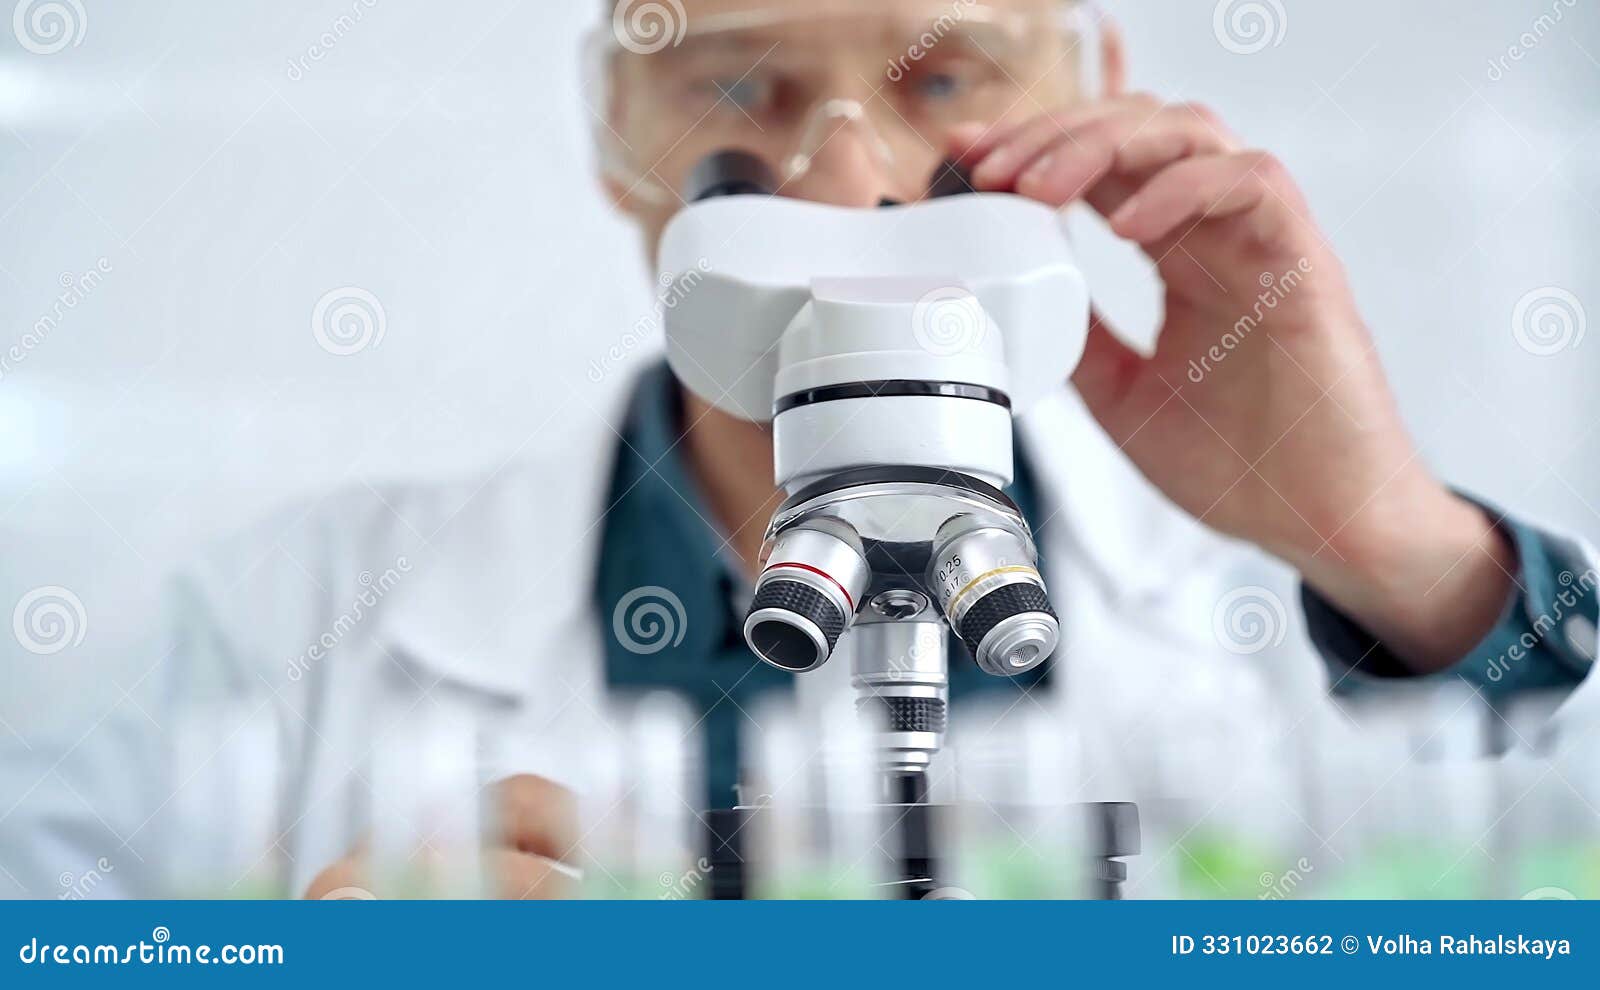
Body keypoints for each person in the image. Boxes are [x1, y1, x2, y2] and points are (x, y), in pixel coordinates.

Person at [17, 0, 1598, 900]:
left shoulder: (1279, 605)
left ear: (1099, 90)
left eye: (951, 78)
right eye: (735, 89)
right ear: (614, 139)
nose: (850, 180)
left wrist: (1385, 543)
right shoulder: (291, 623)